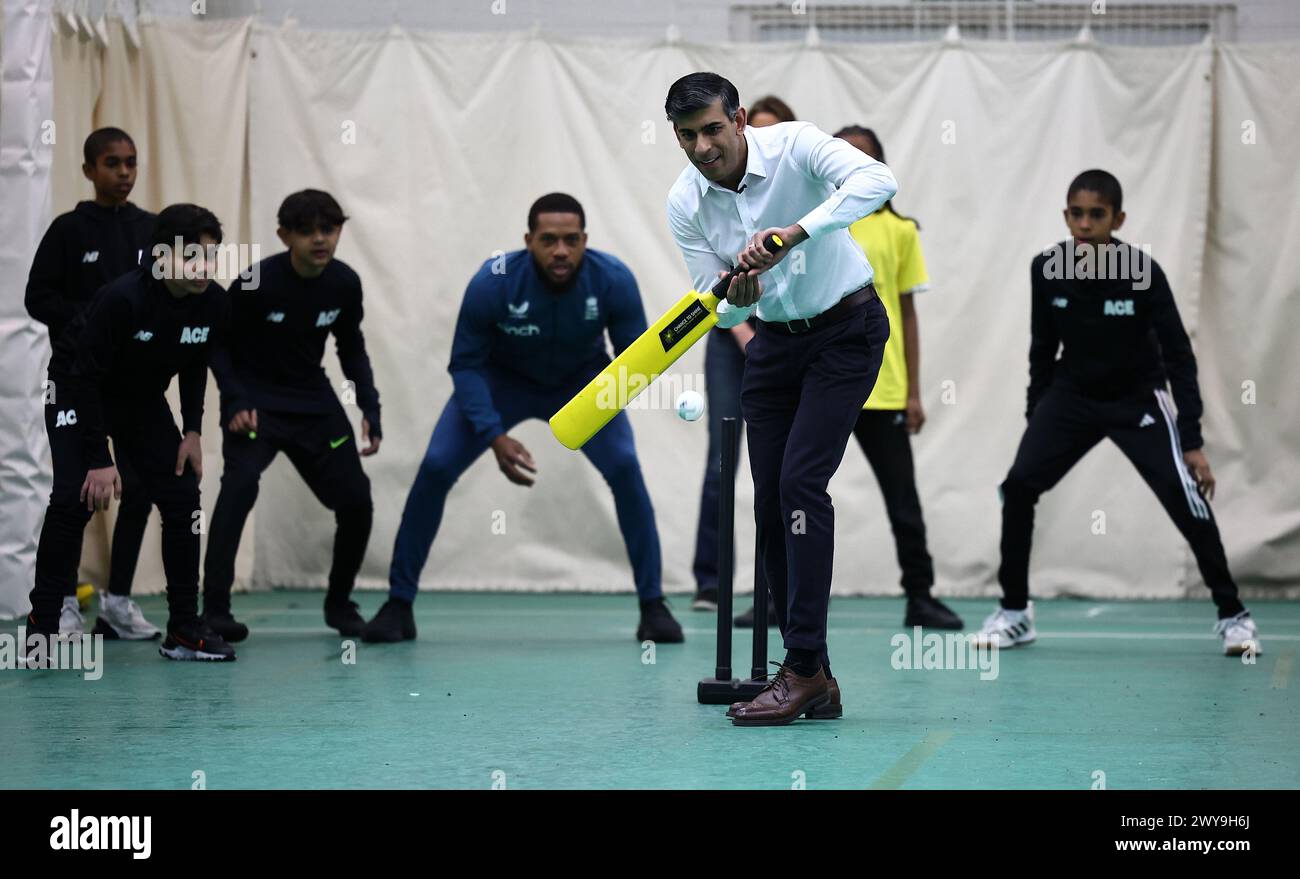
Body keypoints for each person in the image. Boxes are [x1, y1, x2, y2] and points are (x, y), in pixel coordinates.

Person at [665, 73, 897, 724]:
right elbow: (712, 300)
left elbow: (879, 182)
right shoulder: (685, 201)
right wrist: (734, 297)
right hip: (771, 344)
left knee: (800, 483)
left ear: (740, 119)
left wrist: (796, 232)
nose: (704, 146)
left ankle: (797, 670)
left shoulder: (794, 145)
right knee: (769, 500)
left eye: (713, 128)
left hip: (846, 330)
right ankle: (813, 673)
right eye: (688, 136)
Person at [363, 193, 682, 645]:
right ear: (528, 240)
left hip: (582, 385)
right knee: (435, 468)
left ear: (585, 240)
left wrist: (607, 401)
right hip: (502, 382)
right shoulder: (492, 282)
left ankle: (654, 605)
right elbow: (465, 365)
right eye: (548, 240)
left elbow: (636, 361)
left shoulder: (612, 278)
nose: (560, 252)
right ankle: (399, 604)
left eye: (571, 241)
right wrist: (493, 435)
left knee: (626, 470)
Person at [974, 170, 1262, 656]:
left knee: (1183, 496)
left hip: (1137, 398)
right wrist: (1036, 417)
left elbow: (1178, 356)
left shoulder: (1143, 274)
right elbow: (1042, 349)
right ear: (1065, 216)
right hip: (1072, 396)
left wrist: (1190, 441)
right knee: (1019, 486)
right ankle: (1015, 613)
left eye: (1096, 214)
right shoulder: (1044, 269)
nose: (1085, 224)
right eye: (1076, 213)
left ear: (1117, 219)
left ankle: (1233, 615)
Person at [27, 203, 236, 662]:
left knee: (182, 494)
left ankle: (183, 629)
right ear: (160, 257)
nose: (203, 268)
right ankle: (41, 629)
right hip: (76, 389)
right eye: (190, 257)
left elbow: (195, 359)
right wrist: (100, 458)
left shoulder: (214, 301)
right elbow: (83, 377)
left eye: (209, 257)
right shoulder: (122, 299)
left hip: (138, 397)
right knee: (73, 496)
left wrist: (193, 430)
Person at [203, 190, 380, 642]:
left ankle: (339, 604)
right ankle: (216, 611)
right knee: (239, 487)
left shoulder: (344, 283)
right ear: (285, 236)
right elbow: (218, 345)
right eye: (307, 231)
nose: (320, 239)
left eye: (330, 229)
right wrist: (234, 401)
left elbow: (351, 346)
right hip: (255, 405)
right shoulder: (255, 283)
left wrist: (370, 406)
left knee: (357, 502)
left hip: (313, 404)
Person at [24, 127, 160, 640]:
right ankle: (58, 605)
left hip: (129, 387)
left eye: (130, 162)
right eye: (111, 163)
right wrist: (93, 318)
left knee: (142, 488)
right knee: (72, 495)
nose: (123, 173)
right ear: (88, 170)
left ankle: (117, 604)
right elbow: (37, 298)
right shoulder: (68, 229)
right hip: (72, 383)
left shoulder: (151, 230)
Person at [836, 125, 962, 631]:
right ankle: (775, 599)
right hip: (823, 382)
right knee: (792, 492)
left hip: (883, 389)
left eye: (862, 157)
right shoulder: (817, 224)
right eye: (841, 155)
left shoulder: (901, 231)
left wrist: (913, 391)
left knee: (902, 499)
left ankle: (920, 596)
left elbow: (906, 314)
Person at [692, 95, 796, 628]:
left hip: (783, 334)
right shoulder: (706, 194)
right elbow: (716, 288)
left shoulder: (791, 180)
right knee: (723, 461)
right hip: (734, 337)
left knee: (778, 470)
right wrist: (747, 339)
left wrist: (769, 342)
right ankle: (710, 581)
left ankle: (774, 590)